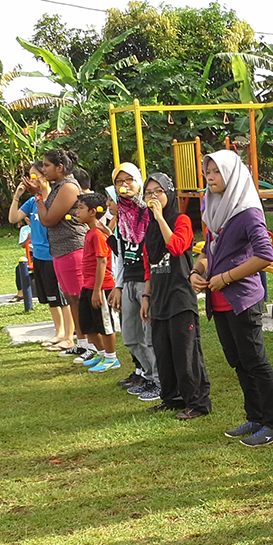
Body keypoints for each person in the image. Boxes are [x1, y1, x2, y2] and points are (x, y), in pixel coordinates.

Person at [190, 149, 273, 440]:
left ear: (231, 174)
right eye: (207, 171)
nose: (210, 177)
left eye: (216, 171)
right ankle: (255, 417)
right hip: (220, 302)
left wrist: (225, 277)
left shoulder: (248, 213)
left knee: (255, 361)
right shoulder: (214, 207)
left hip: (243, 299)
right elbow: (209, 249)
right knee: (239, 361)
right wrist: (197, 271)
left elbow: (266, 255)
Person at [140, 172, 212, 418]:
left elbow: (177, 246)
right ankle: (172, 398)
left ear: (168, 193)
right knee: (164, 352)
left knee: (186, 353)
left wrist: (160, 218)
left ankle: (198, 403)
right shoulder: (149, 227)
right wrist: (146, 297)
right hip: (159, 297)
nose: (153, 197)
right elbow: (149, 264)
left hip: (180, 297)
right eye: (149, 193)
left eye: (158, 192)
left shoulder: (181, 220)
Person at [23, 149, 89, 361]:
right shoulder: (58, 187)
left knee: (79, 299)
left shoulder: (68, 187)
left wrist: (39, 197)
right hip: (59, 251)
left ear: (60, 168)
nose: (43, 170)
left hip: (72, 249)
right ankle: (81, 343)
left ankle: (90, 344)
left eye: (46, 166)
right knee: (70, 298)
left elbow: (48, 219)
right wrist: (41, 194)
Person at [107, 163, 161, 400]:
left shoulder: (148, 212)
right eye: (119, 181)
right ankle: (147, 376)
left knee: (150, 336)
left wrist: (149, 288)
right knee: (130, 336)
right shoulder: (122, 215)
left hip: (146, 280)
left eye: (129, 179)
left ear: (139, 182)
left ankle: (159, 381)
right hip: (128, 279)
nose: (124, 185)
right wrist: (118, 285)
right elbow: (120, 252)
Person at [9, 163, 74, 348]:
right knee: (51, 298)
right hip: (39, 255)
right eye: (29, 176)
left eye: (35, 176)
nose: (31, 180)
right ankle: (59, 332)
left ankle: (69, 336)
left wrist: (42, 191)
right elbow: (13, 218)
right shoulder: (33, 202)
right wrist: (17, 196)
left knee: (64, 298)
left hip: (55, 254)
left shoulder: (54, 198)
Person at [74, 192, 120, 373]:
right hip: (88, 285)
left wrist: (97, 290)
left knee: (104, 324)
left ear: (93, 211)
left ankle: (111, 357)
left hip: (100, 287)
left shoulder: (99, 235)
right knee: (87, 324)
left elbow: (102, 261)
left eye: (80, 208)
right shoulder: (90, 232)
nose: (76, 212)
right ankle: (101, 353)